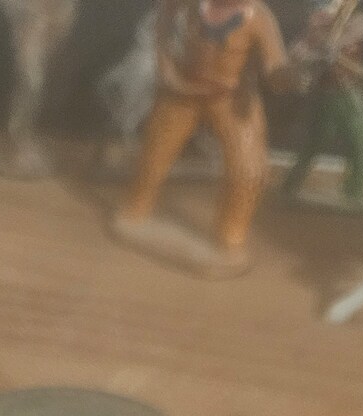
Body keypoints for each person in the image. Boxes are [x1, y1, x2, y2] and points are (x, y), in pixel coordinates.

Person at [113, 0, 293, 274]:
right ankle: (136, 208)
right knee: (154, 156)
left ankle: (230, 237)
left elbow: (275, 68)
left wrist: (288, 77)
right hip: (184, 90)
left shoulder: (258, 17)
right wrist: (165, 65)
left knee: (248, 170)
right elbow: (163, 18)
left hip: (232, 98)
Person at [283, 0, 363, 209]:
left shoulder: (353, 26)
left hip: (350, 93)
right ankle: (291, 185)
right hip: (329, 96)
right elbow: (296, 54)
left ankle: (355, 192)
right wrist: (318, 54)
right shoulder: (317, 32)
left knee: (361, 144)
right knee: (317, 143)